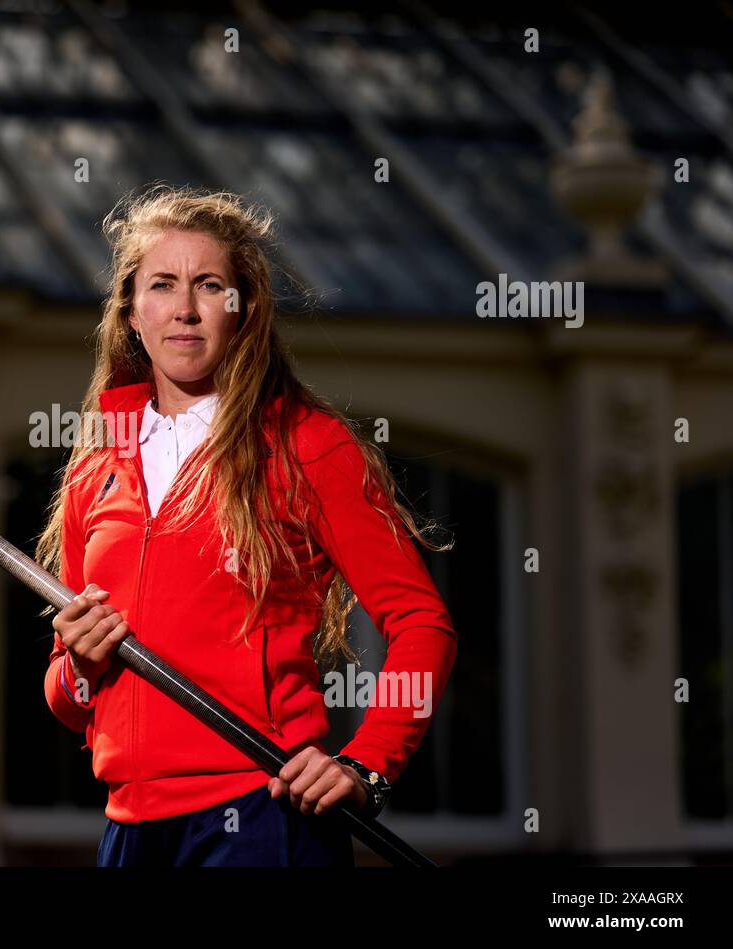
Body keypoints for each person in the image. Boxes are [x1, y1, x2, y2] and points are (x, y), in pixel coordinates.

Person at [36, 184, 459, 867]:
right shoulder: (96, 470)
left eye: (208, 286)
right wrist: (79, 665)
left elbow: (421, 623)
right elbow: (68, 698)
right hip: (129, 829)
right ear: (131, 310)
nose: (184, 309)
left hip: (262, 816)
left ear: (244, 309)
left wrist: (367, 765)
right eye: (162, 285)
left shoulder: (305, 444)